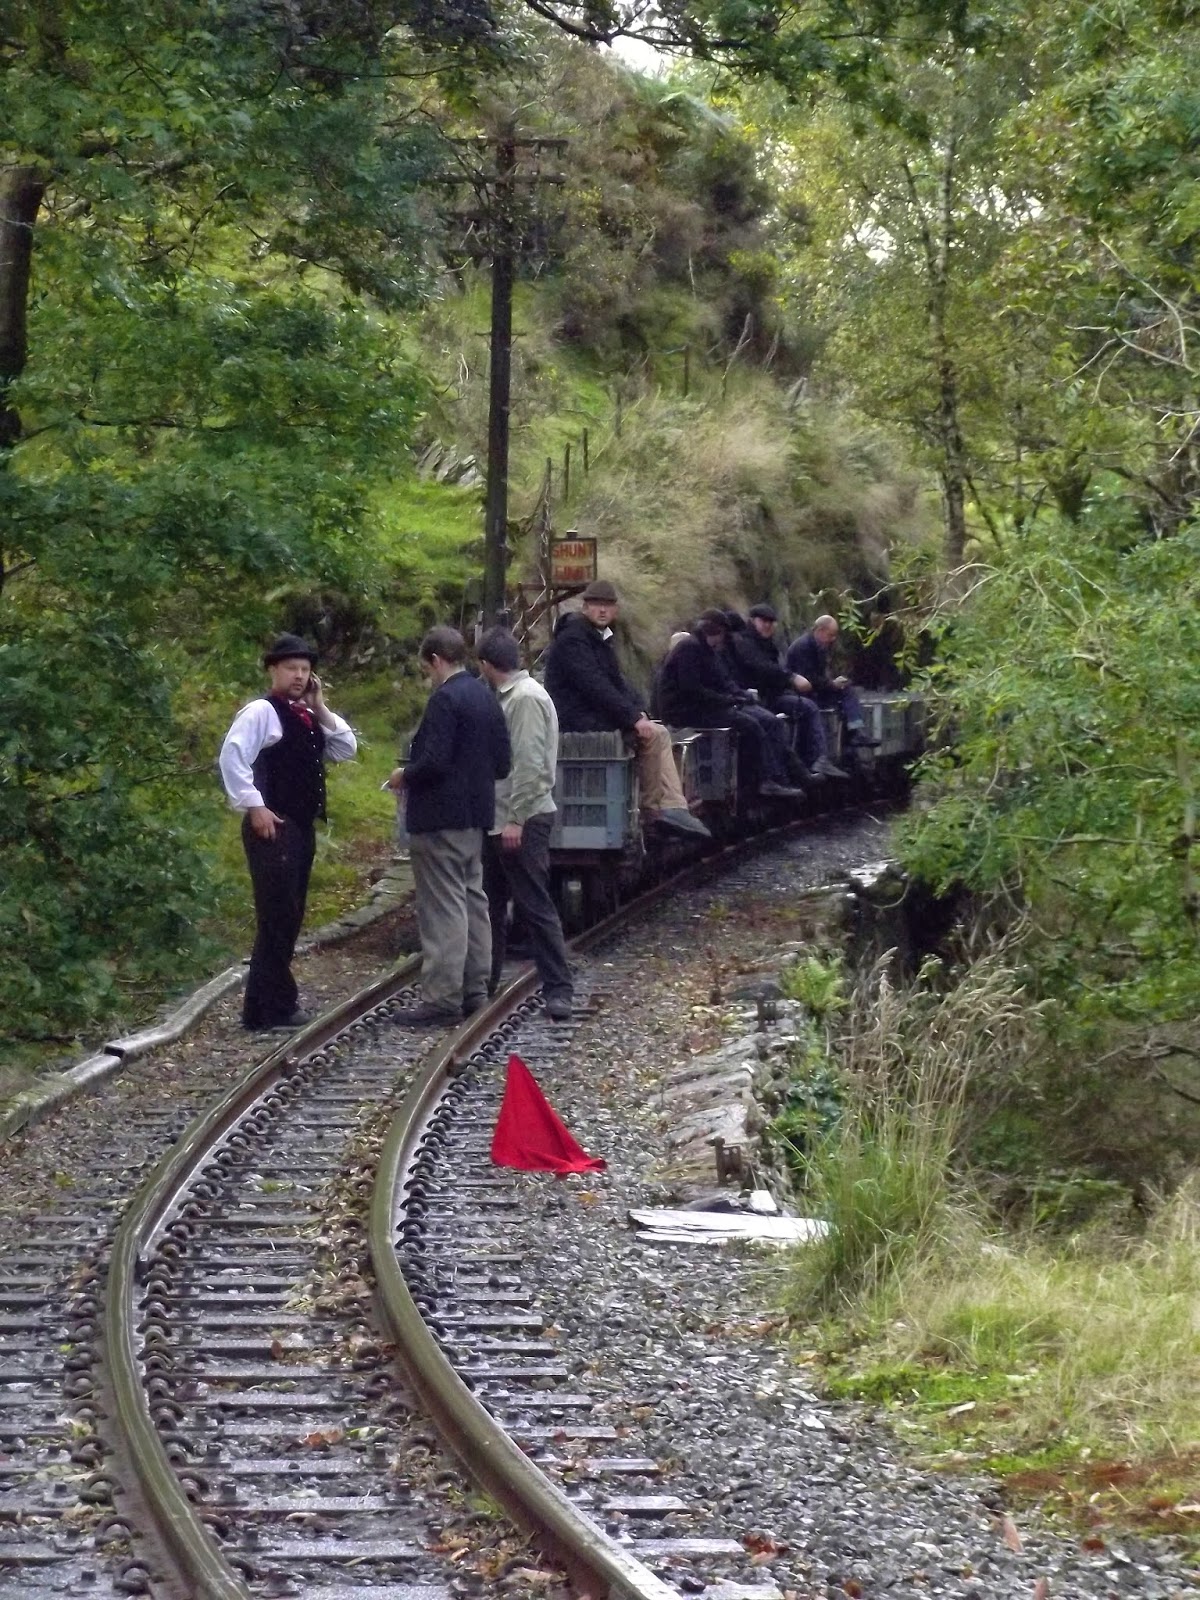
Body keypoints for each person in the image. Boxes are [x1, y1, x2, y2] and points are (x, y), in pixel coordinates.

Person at [219, 633, 358, 1032]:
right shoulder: (261, 712)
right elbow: (233, 755)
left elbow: (345, 748)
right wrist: (255, 804)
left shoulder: (307, 715)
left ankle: (266, 1005)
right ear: (274, 670)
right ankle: (272, 1006)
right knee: (278, 913)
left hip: (299, 826)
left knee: (290, 913)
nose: (299, 676)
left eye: (304, 669)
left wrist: (321, 707)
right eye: (291, 669)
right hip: (273, 824)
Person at [386, 627, 511, 1026]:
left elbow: (435, 760)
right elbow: (503, 763)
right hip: (475, 818)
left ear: (437, 660)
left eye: (428, 668)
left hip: (439, 818)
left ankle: (442, 995)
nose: (429, 675)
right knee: (474, 898)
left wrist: (404, 776)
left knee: (444, 905)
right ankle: (476, 987)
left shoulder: (445, 699)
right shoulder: (486, 697)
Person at [543, 580, 710, 839]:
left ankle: (674, 806)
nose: (602, 611)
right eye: (596, 605)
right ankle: (654, 810)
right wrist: (632, 719)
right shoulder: (574, 640)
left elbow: (616, 682)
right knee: (653, 736)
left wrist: (638, 712)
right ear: (585, 607)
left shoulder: (597, 639)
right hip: (577, 717)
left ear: (615, 611)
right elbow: (594, 685)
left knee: (658, 732)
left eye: (607, 606)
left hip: (593, 713)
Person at [476, 628, 574, 1023]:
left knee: (534, 904)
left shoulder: (525, 699)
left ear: (486, 665)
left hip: (522, 818)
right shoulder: (514, 697)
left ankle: (559, 987)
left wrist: (516, 819)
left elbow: (531, 767)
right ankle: (486, 983)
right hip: (503, 817)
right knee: (493, 903)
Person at [656, 610, 805, 800]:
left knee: (756, 721)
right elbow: (691, 689)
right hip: (683, 711)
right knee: (750, 725)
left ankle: (776, 777)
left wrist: (739, 695)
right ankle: (762, 781)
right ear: (718, 632)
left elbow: (722, 681)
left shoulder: (704, 650)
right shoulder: (690, 648)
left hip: (698, 707)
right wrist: (728, 700)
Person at [737, 604, 848, 780]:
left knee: (806, 707)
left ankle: (814, 760)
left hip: (773, 694)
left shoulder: (766, 644)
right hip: (757, 697)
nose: (768, 625)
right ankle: (794, 769)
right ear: (752, 621)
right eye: (763, 621)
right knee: (798, 711)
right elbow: (762, 667)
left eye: (771, 622)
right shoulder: (745, 643)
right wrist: (791, 678)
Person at [786, 614, 880, 750]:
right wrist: (831, 684)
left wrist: (833, 683)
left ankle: (855, 731)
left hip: (816, 689)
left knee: (846, 690)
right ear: (820, 631)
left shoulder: (820, 647)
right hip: (801, 693)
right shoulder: (803, 647)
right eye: (830, 635)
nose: (833, 639)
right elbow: (807, 678)